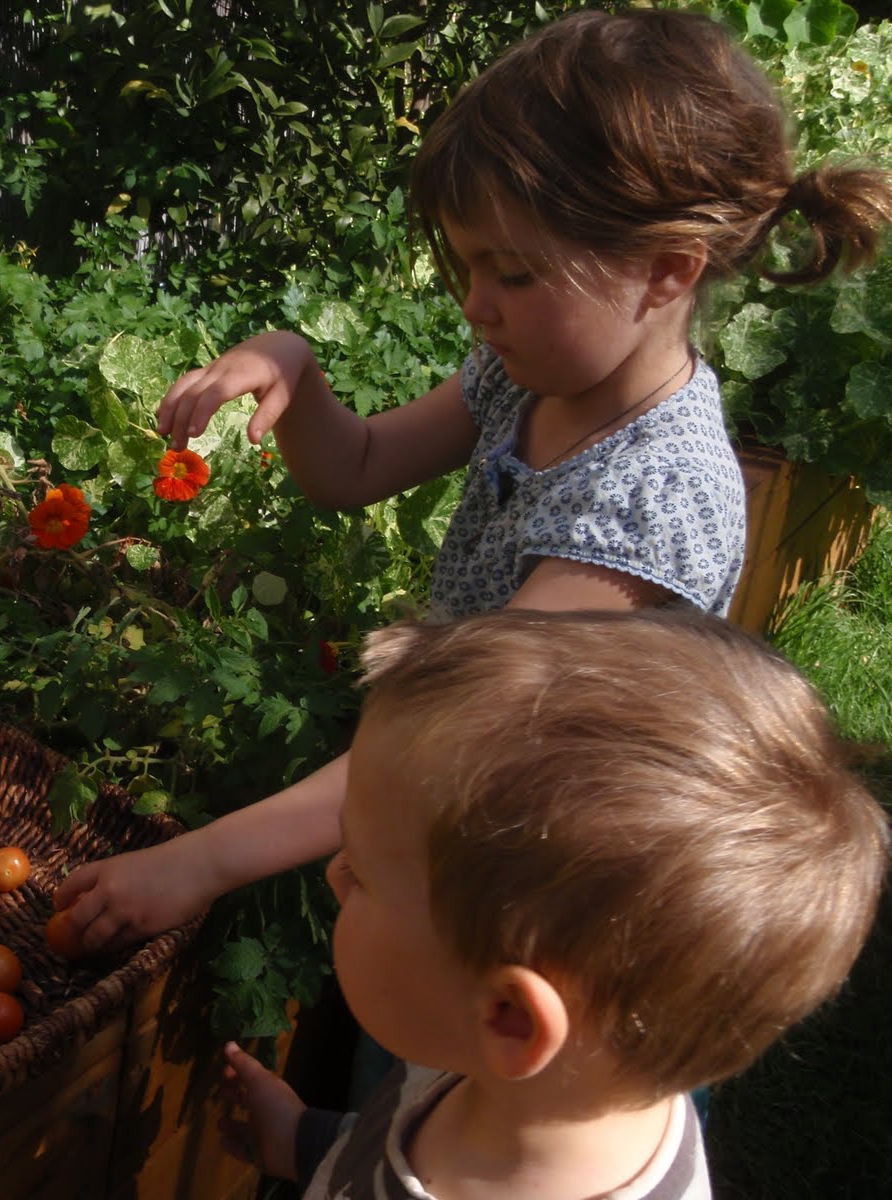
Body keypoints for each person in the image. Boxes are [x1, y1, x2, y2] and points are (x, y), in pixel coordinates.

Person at [53, 6, 892, 955]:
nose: (474, 303)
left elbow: (455, 736)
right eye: (467, 264)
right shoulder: (526, 375)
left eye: (514, 274)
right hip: (446, 820)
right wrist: (295, 366)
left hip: (546, 896)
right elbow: (358, 468)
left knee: (477, 1080)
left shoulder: (650, 498)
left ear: (665, 273)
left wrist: (196, 862)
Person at [215, 608, 888, 1198]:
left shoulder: (497, 1069)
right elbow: (415, 1132)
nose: (333, 876)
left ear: (510, 1018)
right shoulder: (542, 1084)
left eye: (361, 874)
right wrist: (308, 1142)